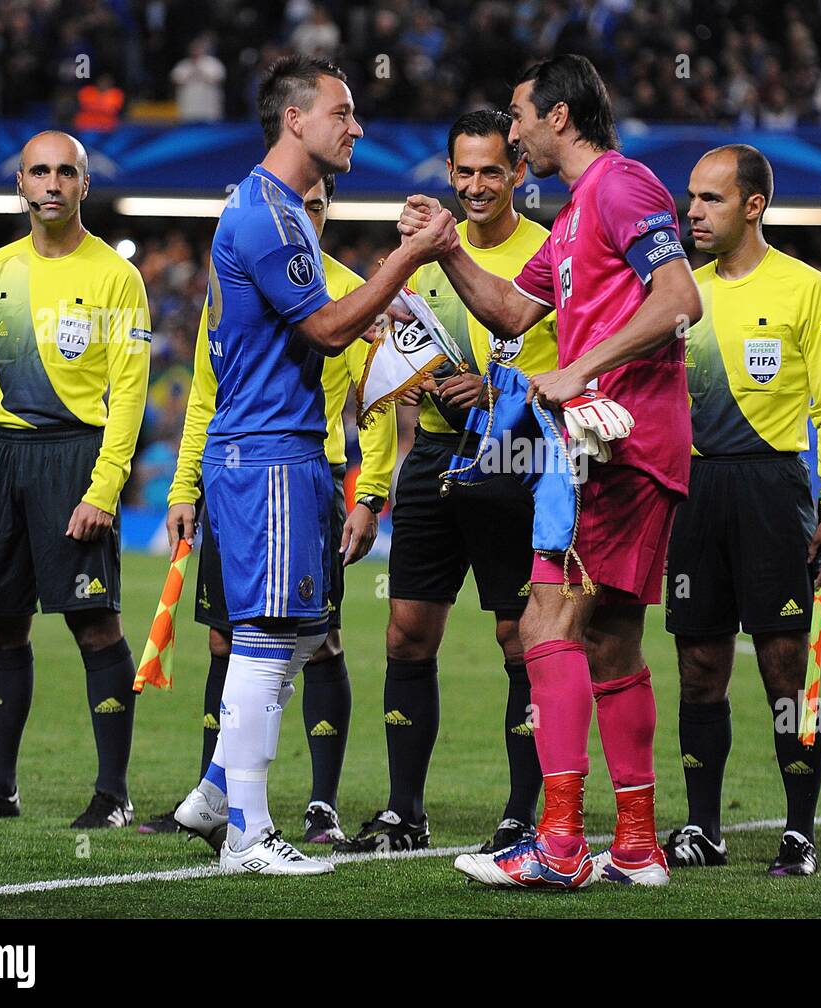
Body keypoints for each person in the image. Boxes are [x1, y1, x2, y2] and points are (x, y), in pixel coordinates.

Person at [400, 54, 701, 889]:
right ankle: (636, 846)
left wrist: (580, 371)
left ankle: (560, 843)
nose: (512, 127)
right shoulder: (575, 217)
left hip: (618, 441)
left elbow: (679, 298)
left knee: (544, 624)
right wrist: (445, 247)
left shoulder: (621, 185)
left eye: (518, 113)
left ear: (558, 116)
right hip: (622, 445)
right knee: (609, 640)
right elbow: (506, 311)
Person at [164, 55, 456, 876]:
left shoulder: (280, 211)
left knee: (296, 634)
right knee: (266, 639)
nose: (355, 126)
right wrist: (411, 259)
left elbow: (323, 318)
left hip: (274, 452)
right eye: (342, 111)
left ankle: (220, 792)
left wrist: (381, 299)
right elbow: (326, 330)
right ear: (295, 119)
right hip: (271, 455)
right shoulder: (267, 216)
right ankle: (248, 837)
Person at [139, 173, 396, 848]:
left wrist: (368, 493)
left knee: (312, 638)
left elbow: (376, 399)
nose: (301, 220)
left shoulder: (344, 289)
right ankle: (227, 807)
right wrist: (181, 486)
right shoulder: (242, 283)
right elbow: (204, 391)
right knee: (236, 638)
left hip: (306, 472)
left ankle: (306, 803)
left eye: (314, 207)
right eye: (295, 207)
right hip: (251, 469)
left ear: (328, 207)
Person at [335, 109, 558, 857]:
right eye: (462, 172)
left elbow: (579, 365)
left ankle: (523, 813)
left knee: (519, 640)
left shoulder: (551, 252)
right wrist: (394, 380)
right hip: (431, 459)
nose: (475, 185)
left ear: (519, 172)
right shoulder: (423, 256)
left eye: (491, 171)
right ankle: (403, 812)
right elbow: (381, 341)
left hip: (519, 461)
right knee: (406, 634)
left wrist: (500, 394)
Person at [0, 131, 151, 828]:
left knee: (94, 625)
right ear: (21, 185)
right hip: (0, 459)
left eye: (66, 171)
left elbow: (131, 392)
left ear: (84, 184)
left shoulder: (118, 276)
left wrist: (104, 487)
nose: (52, 182)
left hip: (74, 458)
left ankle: (113, 794)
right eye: (39, 171)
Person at [662, 145, 821, 874]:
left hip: (774, 492)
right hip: (695, 493)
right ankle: (703, 829)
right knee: (699, 667)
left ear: (753, 205)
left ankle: (799, 832)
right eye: (691, 198)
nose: (693, 213)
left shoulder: (809, 290)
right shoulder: (681, 294)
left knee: (785, 670)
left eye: (710, 199)